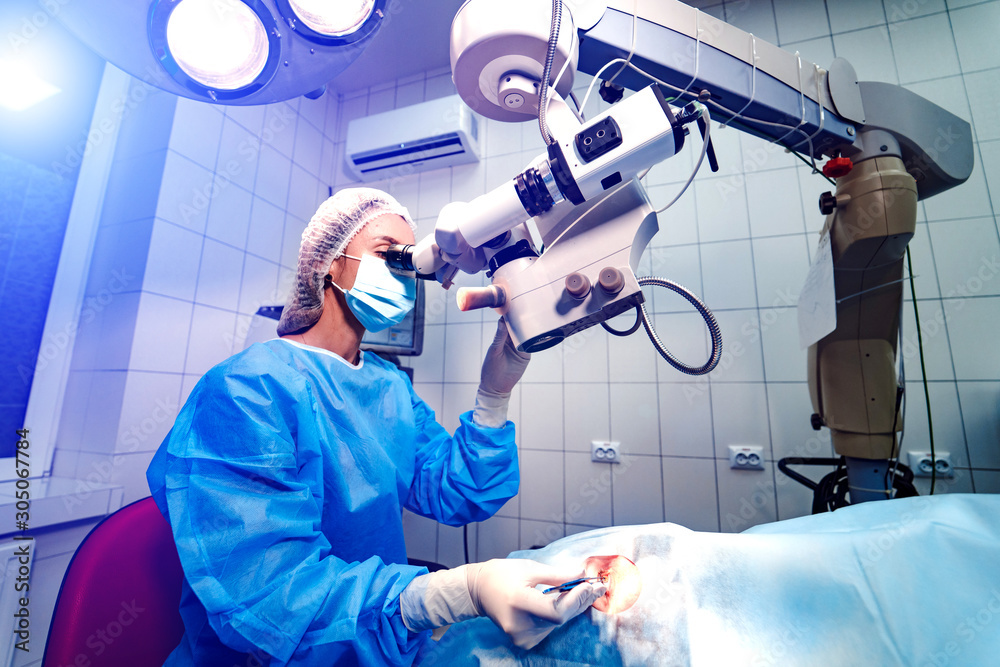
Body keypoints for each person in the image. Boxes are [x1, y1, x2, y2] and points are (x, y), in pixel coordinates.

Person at [146, 188, 605, 666]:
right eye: (388, 254)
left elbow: (457, 489)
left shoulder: (386, 384)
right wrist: (453, 591)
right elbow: (271, 598)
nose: (402, 275)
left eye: (409, 263)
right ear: (327, 262)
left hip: (378, 640)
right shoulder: (248, 390)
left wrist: (494, 393)